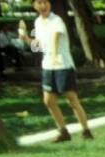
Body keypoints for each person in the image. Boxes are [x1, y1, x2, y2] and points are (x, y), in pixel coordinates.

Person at [21, 0, 92, 142]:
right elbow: (39, 46)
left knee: (71, 99)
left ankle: (86, 131)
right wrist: (26, 39)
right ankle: (63, 132)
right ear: (34, 6)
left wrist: (53, 55)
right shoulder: (37, 22)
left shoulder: (56, 20)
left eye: (45, 2)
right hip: (48, 66)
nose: (43, 5)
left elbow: (55, 39)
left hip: (62, 65)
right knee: (48, 101)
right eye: (39, 3)